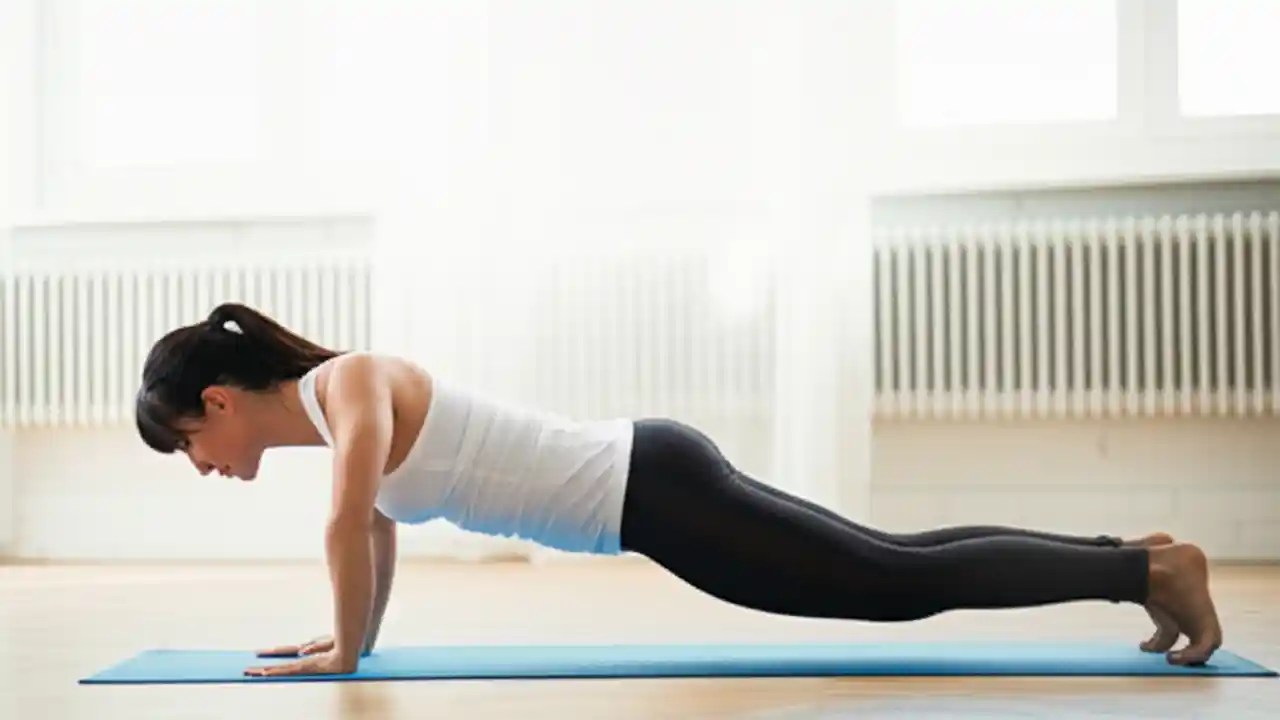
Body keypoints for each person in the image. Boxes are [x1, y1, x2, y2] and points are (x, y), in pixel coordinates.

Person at [134, 302, 1223, 678]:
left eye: (186, 443)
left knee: (892, 585)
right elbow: (368, 542)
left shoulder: (351, 383)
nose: (201, 467)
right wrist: (349, 646)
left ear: (220, 402)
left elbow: (341, 526)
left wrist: (342, 650)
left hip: (653, 489)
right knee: (892, 561)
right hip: (653, 492)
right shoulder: (340, 429)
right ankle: (1130, 554)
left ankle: (1143, 569)